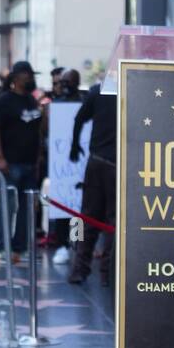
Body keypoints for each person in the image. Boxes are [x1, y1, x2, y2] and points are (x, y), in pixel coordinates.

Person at [0, 60, 43, 263]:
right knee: (8, 206)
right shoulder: (4, 101)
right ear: (16, 78)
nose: (31, 78)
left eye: (31, 74)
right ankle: (1, 248)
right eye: (27, 74)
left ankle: (20, 249)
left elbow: (37, 131)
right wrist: (0, 157)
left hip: (30, 164)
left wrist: (38, 160)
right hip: (11, 164)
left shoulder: (32, 101)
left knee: (27, 209)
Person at [68, 81, 117, 287]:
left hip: (96, 162)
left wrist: (75, 144)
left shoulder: (98, 91)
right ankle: (107, 273)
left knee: (87, 218)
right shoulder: (133, 88)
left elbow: (79, 118)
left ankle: (80, 269)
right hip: (117, 165)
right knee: (113, 222)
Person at [41, 68, 83, 264]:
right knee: (61, 206)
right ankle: (62, 244)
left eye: (68, 82)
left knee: (78, 206)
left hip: (79, 163)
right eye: (61, 83)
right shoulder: (54, 106)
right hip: (60, 163)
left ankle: (76, 243)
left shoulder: (83, 103)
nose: (63, 86)